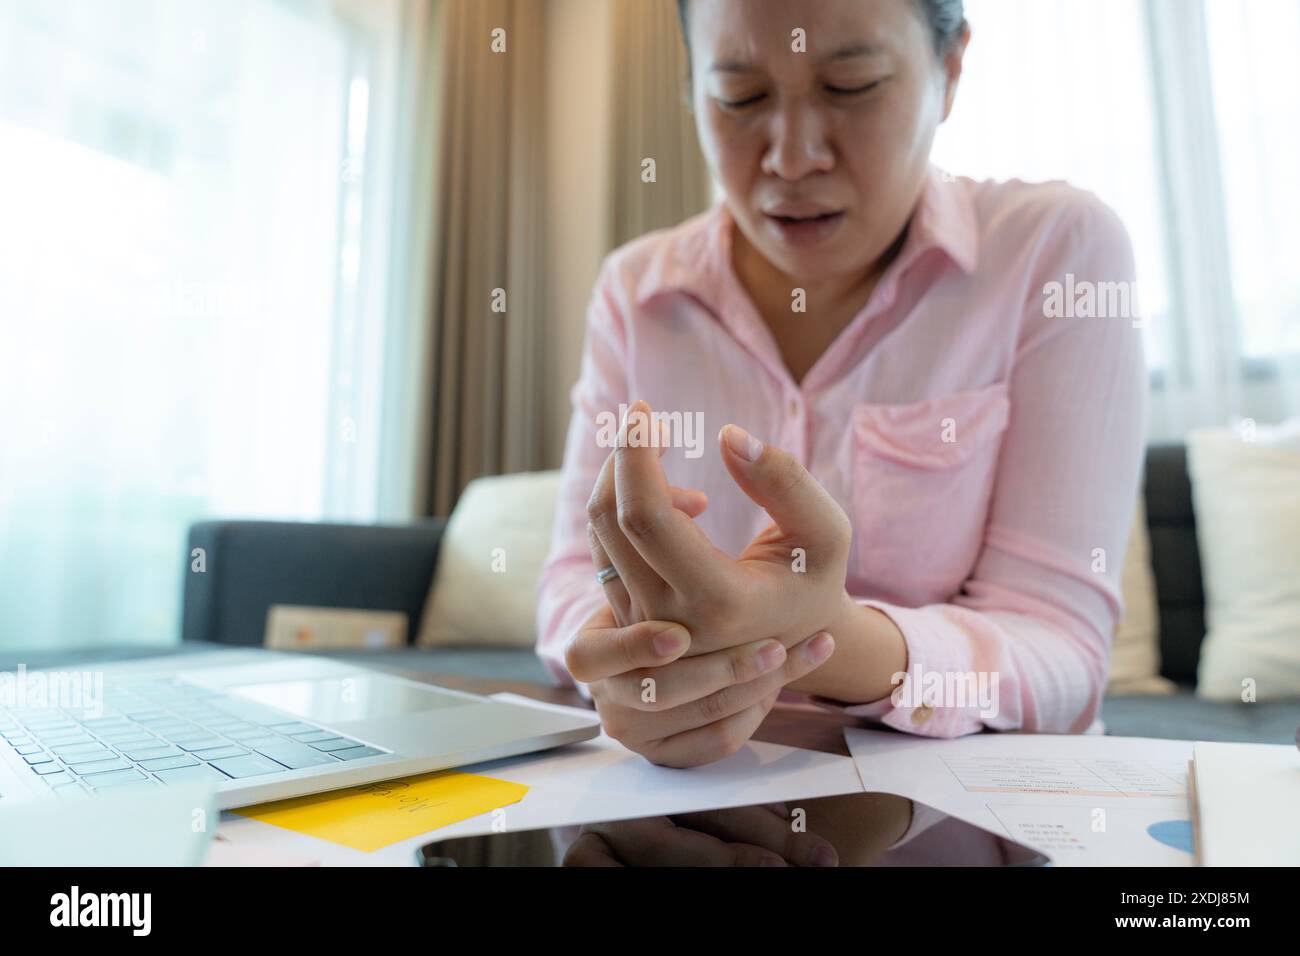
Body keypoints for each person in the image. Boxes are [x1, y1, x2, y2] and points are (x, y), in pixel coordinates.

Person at [537, 0, 1147, 768]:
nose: (792, 158)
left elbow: (1062, 651)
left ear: (950, 69)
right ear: (690, 89)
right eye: (740, 97)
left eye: (851, 85)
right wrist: (632, 660)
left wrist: (820, 637)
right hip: (677, 802)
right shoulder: (636, 292)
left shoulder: (1053, 252)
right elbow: (568, 582)